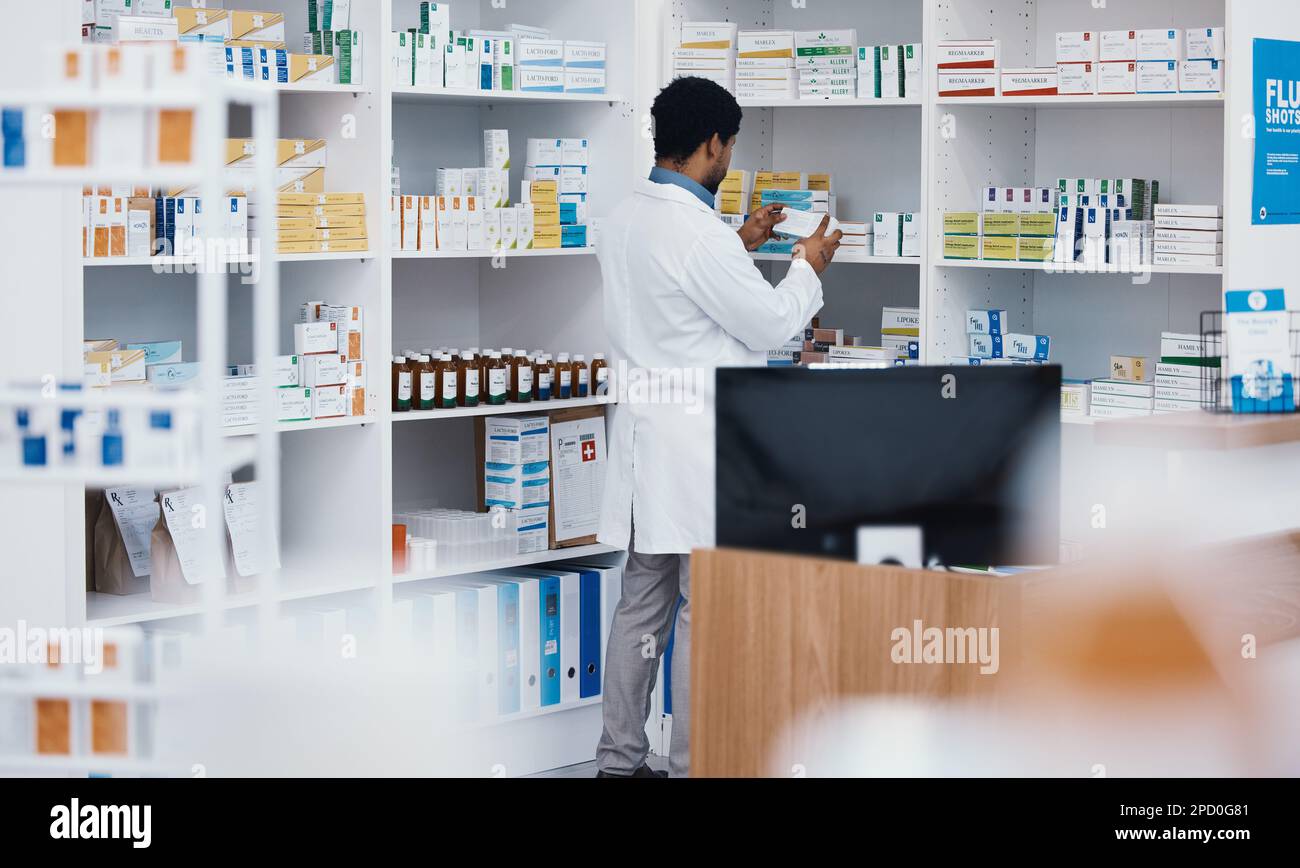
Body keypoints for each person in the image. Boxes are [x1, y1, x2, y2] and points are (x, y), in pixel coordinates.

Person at [593, 76, 841, 778]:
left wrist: (739, 241)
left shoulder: (627, 217)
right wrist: (806, 267)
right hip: (698, 453)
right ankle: (700, 765)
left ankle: (618, 761)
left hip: (644, 446)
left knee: (640, 611)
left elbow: (671, 291)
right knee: (708, 617)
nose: (730, 159)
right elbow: (765, 323)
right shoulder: (698, 235)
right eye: (729, 146)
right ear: (711, 144)